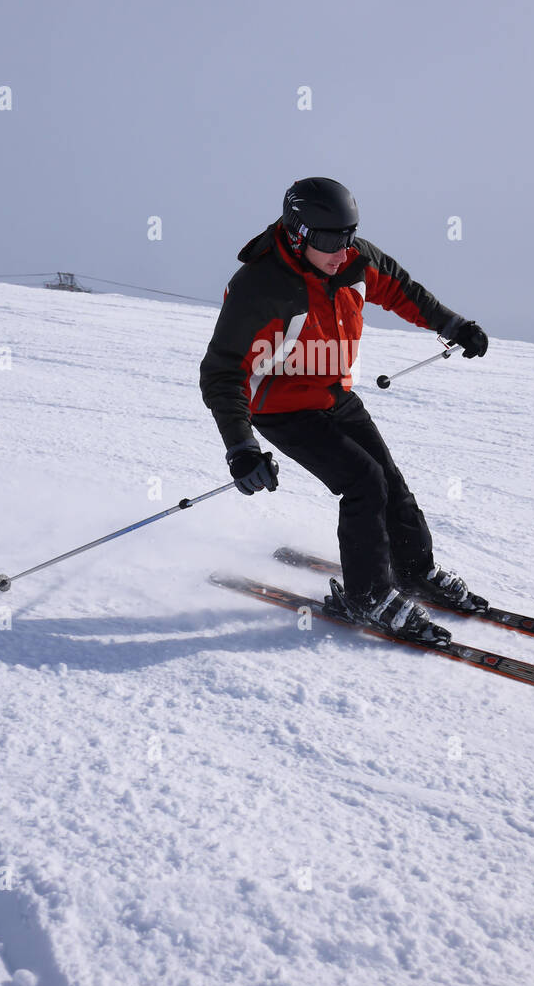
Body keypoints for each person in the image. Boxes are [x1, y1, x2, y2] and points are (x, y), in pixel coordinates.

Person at [199, 177, 489, 644]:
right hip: (282, 407)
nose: (342, 248)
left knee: (389, 480)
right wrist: (241, 447)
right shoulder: (261, 285)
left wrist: (453, 324)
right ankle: (367, 596)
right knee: (362, 483)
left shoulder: (354, 260)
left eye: (349, 234)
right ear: (298, 233)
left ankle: (414, 572)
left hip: (335, 394)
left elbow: (403, 292)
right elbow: (222, 371)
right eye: (330, 238)